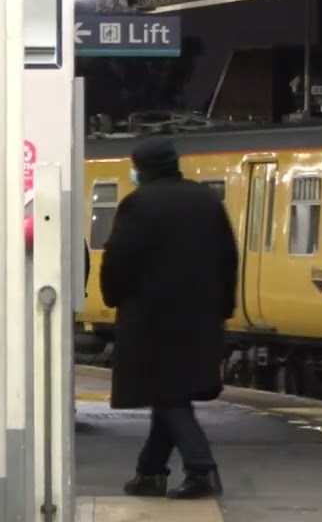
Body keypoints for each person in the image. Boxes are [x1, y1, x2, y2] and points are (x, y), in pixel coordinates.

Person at [100, 138, 238, 500]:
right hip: (201, 318)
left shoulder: (138, 204)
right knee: (170, 394)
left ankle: (201, 469)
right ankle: (150, 472)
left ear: (142, 168)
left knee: (167, 394)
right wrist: (223, 307)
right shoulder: (207, 200)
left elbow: (118, 259)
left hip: (153, 320)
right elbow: (228, 257)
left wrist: (112, 296)